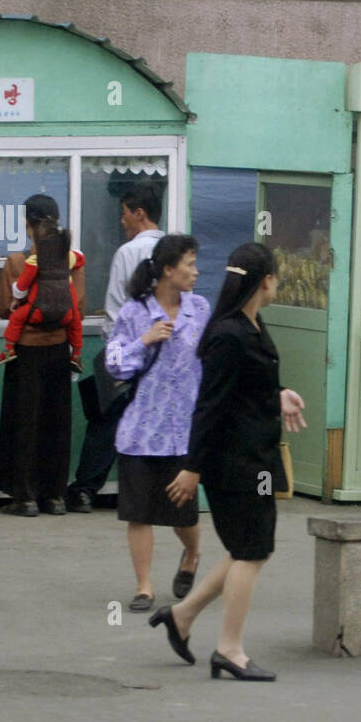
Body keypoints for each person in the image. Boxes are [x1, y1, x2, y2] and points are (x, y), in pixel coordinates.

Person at [151, 242, 308, 682]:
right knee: (252, 552)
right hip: (234, 463)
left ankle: (182, 616)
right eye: (277, 277)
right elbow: (210, 405)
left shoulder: (250, 326)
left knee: (249, 549)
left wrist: (278, 397)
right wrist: (192, 466)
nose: (278, 284)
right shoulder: (228, 333)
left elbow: (244, 388)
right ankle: (229, 649)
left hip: (255, 459)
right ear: (265, 281)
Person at [105, 235, 209, 612]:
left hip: (184, 433)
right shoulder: (135, 313)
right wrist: (144, 341)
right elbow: (113, 362)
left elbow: (213, 362)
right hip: (139, 431)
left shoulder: (200, 309)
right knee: (139, 513)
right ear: (168, 269)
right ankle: (144, 587)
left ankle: (192, 554)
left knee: (183, 515)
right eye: (189, 265)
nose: (196, 273)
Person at [67, 184, 166, 513]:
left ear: (139, 213)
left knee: (106, 422)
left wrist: (114, 352)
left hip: (129, 349)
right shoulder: (174, 250)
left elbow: (115, 309)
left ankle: (84, 490)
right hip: (163, 354)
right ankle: (147, 491)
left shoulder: (128, 253)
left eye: (124, 213)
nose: (122, 220)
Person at [0, 195, 86, 517]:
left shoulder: (19, 262)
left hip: (26, 352)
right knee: (56, 422)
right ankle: (55, 497)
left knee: (24, 422)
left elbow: (4, 306)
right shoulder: (72, 261)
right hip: (61, 350)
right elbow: (80, 307)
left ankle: (25, 498)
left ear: (27, 223)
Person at [0, 230, 85, 370]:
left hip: (37, 309)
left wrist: (16, 299)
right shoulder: (69, 257)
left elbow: (22, 285)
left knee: (16, 318)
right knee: (76, 323)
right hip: (67, 308)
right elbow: (81, 259)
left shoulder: (35, 261)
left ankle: (9, 349)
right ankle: (76, 355)